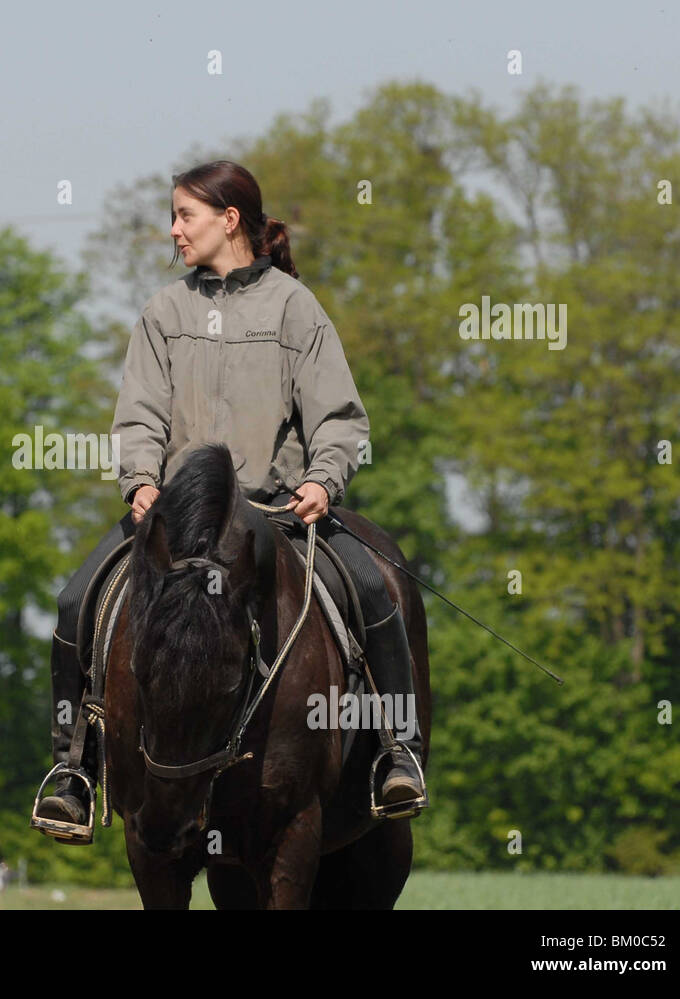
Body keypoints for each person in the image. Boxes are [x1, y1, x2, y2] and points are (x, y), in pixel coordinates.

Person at [33, 160, 425, 837]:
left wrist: (322, 479)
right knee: (76, 600)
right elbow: (138, 417)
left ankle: (398, 751)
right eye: (174, 216)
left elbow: (338, 415)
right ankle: (74, 767)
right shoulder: (163, 310)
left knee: (374, 587)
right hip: (176, 519)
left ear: (229, 219)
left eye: (185, 215)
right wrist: (141, 480)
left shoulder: (294, 308)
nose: (174, 229)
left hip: (276, 509)